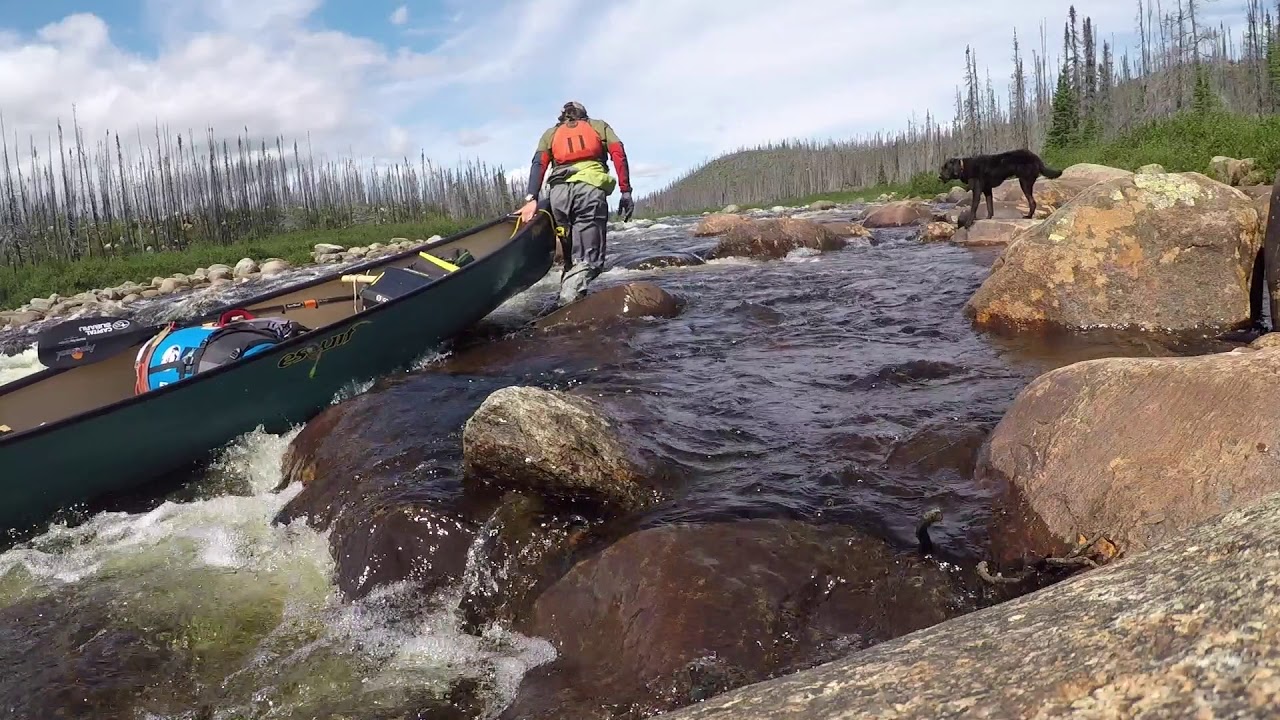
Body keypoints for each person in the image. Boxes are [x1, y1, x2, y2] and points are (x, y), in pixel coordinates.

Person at [517, 101, 634, 305]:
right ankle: (566, 302)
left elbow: (539, 164)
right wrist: (625, 191)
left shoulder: (551, 134)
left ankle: (567, 304)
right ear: (584, 115)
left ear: (563, 117)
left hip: (559, 197)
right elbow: (618, 154)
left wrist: (531, 198)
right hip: (589, 191)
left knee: (571, 260)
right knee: (590, 261)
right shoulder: (598, 126)